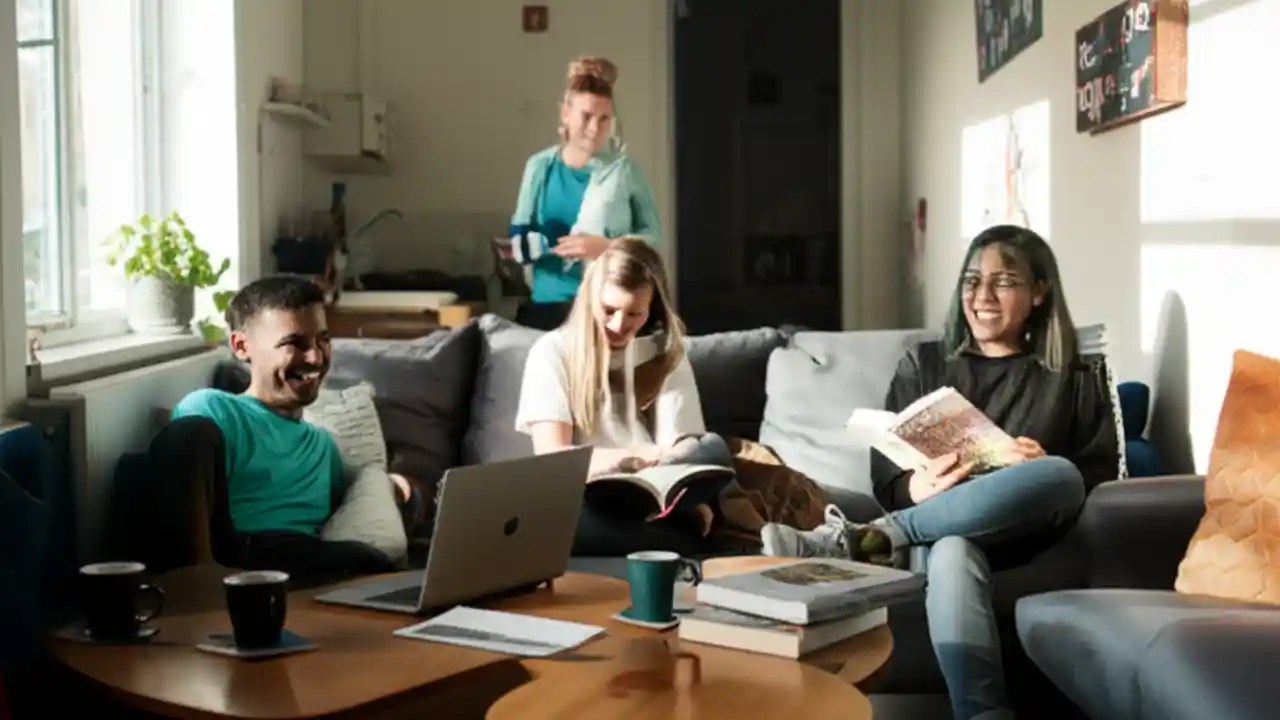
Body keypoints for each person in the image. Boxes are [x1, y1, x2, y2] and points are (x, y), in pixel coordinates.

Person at [759, 225, 1119, 720]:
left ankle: (862, 540)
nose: (982, 295)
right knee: (952, 550)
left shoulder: (1075, 375)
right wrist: (916, 486)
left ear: (1039, 291)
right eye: (972, 281)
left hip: (1032, 531)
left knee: (1061, 474)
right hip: (942, 531)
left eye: (1003, 281)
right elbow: (886, 479)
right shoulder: (925, 364)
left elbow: (1102, 476)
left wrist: (1036, 466)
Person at [170, 276, 420, 580]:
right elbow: (184, 480)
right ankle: (196, 583)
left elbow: (351, 509)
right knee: (191, 433)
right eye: (294, 344)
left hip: (302, 567)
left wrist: (386, 486)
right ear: (241, 346)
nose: (315, 357)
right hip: (236, 555)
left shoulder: (323, 446)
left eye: (323, 340)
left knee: (373, 562)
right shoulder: (214, 410)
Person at [515, 237, 738, 555]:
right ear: (590, 298)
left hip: (653, 491)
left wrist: (678, 485)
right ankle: (671, 528)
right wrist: (629, 459)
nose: (619, 326)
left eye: (635, 314)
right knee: (558, 522)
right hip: (586, 495)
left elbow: (682, 447)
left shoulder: (665, 353)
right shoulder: (552, 352)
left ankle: (668, 521)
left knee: (712, 449)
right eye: (609, 310)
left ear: (652, 308)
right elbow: (553, 458)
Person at [506, 55, 663, 330]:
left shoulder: (624, 172)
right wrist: (534, 246)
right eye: (587, 116)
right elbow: (517, 242)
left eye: (604, 119)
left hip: (607, 310)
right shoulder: (539, 168)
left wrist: (607, 248)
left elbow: (655, 241)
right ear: (566, 112)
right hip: (547, 310)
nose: (594, 128)